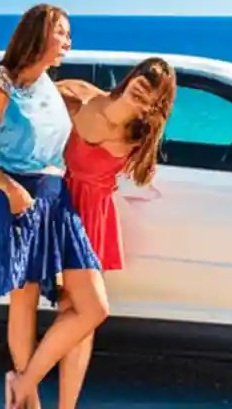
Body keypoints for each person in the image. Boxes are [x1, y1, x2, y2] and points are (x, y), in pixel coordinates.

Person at [0, 4, 102, 409]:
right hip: (18, 198)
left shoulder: (52, 84)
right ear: (39, 33)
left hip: (56, 198)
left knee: (94, 307)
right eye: (61, 32)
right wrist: (12, 190)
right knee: (23, 300)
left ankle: (22, 384)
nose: (68, 41)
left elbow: (107, 109)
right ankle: (28, 401)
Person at [51, 58, 177, 409]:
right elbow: (31, 105)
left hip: (92, 215)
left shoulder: (140, 134)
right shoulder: (77, 94)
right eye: (145, 75)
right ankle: (24, 383)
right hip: (57, 206)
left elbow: (145, 170)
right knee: (69, 310)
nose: (145, 84)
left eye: (155, 87)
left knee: (79, 316)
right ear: (132, 75)